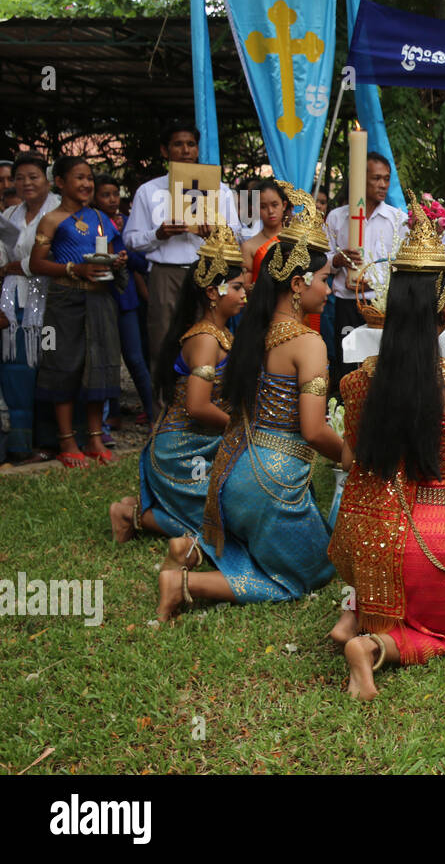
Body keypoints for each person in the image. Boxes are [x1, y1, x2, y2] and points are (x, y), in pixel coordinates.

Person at [326, 196, 445, 700]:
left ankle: (351, 615)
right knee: (440, 637)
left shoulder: (359, 382)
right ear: (443, 312)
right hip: (424, 534)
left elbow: (349, 459)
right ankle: (374, 647)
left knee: (373, 549)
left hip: (364, 529)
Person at [156, 187, 341, 621]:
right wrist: (351, 454)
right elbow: (314, 432)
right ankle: (186, 584)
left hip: (232, 474)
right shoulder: (306, 342)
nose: (330, 290)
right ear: (298, 284)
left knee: (288, 552)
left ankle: (193, 551)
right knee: (311, 574)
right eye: (324, 280)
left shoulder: (248, 336)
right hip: (270, 485)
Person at [109, 224, 247, 543]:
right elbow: (197, 406)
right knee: (220, 530)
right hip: (185, 450)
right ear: (212, 292)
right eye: (237, 287)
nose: (243, 295)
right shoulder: (205, 341)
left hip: (208, 443)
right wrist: (241, 428)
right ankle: (131, 515)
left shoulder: (222, 334)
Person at [27, 158, 128, 466]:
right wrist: (75, 268)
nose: (86, 184)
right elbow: (36, 264)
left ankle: (95, 438)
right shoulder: (52, 220)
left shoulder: (99, 216)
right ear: (60, 181)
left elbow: (107, 253)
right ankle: (67, 440)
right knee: (62, 365)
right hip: (63, 301)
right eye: (79, 178)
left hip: (100, 300)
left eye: (89, 179)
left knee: (99, 365)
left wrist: (116, 261)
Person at [123, 122, 244, 360]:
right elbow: (130, 239)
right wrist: (158, 234)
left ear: (197, 150)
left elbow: (238, 234)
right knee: (163, 341)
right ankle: (165, 398)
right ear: (165, 151)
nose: (186, 150)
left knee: (208, 338)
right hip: (165, 274)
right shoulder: (149, 191)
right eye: (178, 144)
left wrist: (216, 232)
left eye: (191, 144)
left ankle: (204, 396)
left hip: (208, 272)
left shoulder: (220, 190)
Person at [323, 152, 405, 385]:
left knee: (383, 363)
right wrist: (337, 260)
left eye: (386, 179)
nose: (383, 184)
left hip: (381, 305)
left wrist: (377, 280)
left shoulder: (397, 219)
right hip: (347, 304)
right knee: (348, 364)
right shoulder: (337, 217)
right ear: (360, 179)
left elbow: (400, 263)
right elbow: (322, 262)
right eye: (376, 178)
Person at [1, 152, 61, 462]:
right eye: (19, 177)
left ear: (48, 180)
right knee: (16, 368)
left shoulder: (60, 210)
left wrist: (20, 264)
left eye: (33, 176)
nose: (26, 183)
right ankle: (20, 444)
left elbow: (62, 255)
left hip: (49, 299)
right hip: (14, 300)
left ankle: (50, 440)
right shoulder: (10, 214)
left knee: (48, 364)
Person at [94, 174, 154, 430]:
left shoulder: (127, 223)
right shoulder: (90, 222)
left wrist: (124, 249)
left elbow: (144, 263)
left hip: (126, 299)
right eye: (105, 195)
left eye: (115, 194)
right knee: (104, 357)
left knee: (135, 357)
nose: (112, 200)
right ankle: (112, 413)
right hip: (98, 296)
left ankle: (153, 412)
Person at [242, 179, 290, 276]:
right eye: (263, 207)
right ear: (255, 209)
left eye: (275, 205)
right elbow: (246, 284)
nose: (270, 211)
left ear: (284, 205)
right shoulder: (248, 247)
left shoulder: (295, 240)